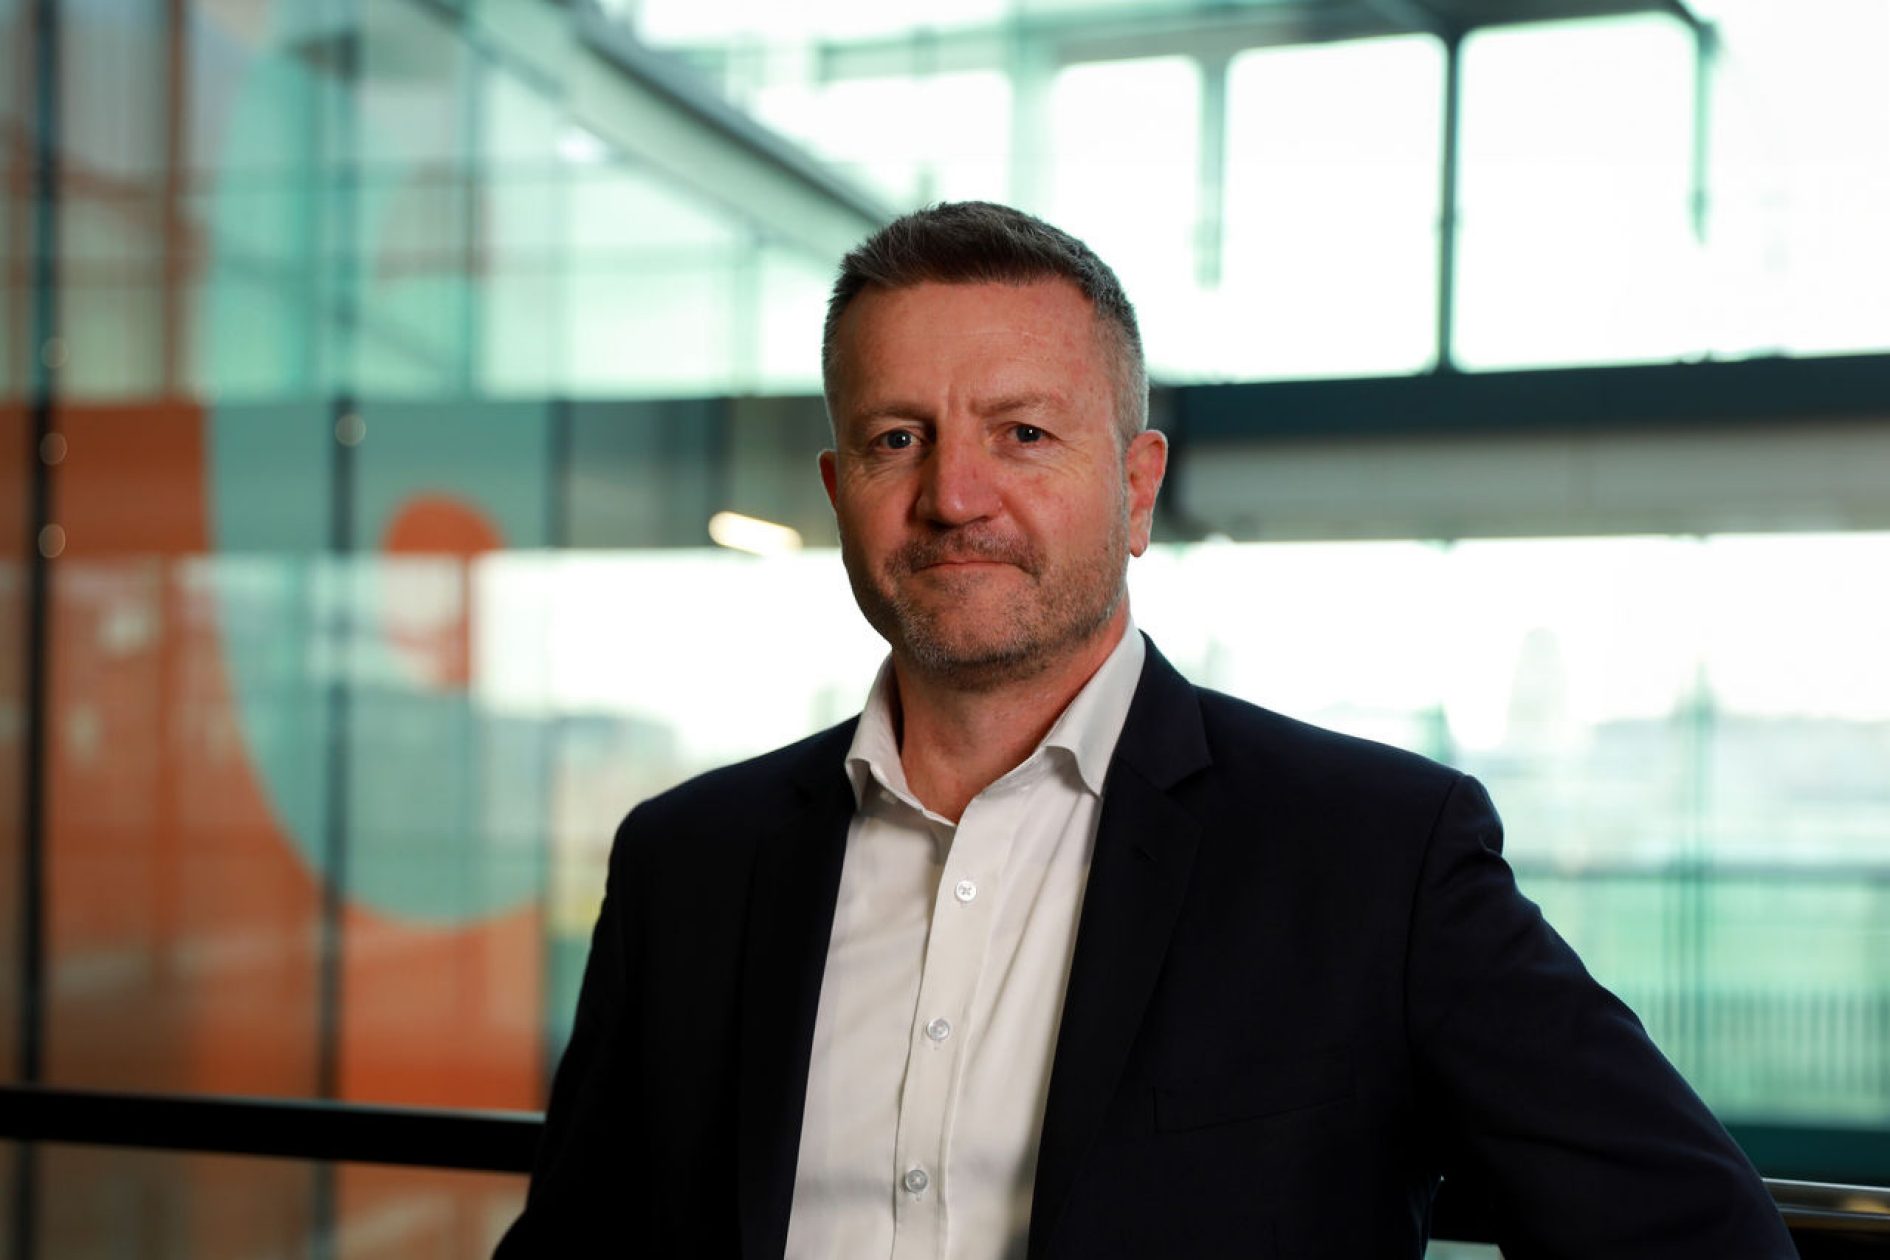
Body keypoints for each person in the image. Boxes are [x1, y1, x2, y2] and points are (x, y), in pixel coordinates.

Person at [496, 202, 1794, 1258]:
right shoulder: (687, 860)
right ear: (841, 492)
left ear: (1135, 488)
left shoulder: (1372, 856)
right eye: (898, 439)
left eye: (1022, 433)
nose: (954, 495)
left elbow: (1693, 1236)